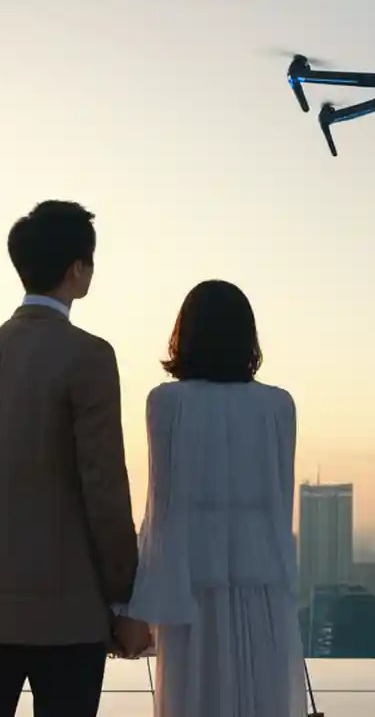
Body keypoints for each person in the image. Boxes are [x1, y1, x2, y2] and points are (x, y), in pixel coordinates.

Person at [0, 200, 152, 717]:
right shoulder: (89, 356)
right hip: (68, 610)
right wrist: (126, 596)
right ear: (78, 269)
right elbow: (102, 485)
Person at [118, 280, 307, 716]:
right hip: (263, 591)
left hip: (190, 596)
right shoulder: (279, 407)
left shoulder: (167, 403)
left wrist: (135, 607)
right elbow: (281, 509)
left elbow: (161, 515)